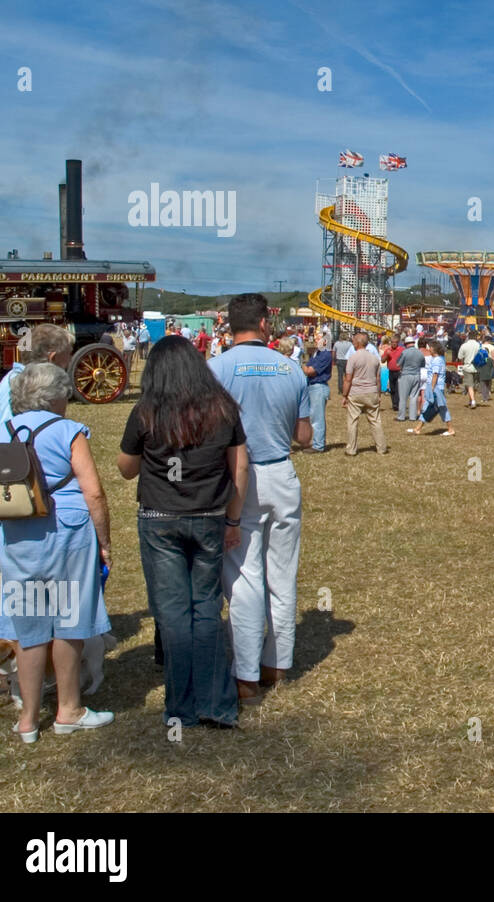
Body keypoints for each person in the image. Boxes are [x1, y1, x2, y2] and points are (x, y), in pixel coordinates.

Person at [0, 363, 114, 741]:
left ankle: (27, 719)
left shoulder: (3, 433)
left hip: (18, 534)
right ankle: (68, 710)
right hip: (68, 532)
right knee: (68, 623)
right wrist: (104, 543)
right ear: (55, 395)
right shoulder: (69, 431)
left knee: (27, 626)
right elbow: (94, 492)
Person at [117, 336, 246, 728]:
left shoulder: (146, 412)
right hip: (208, 515)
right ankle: (217, 704)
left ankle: (182, 707)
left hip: (159, 518)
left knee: (173, 613)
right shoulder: (222, 409)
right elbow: (240, 468)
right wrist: (234, 520)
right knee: (206, 607)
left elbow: (126, 468)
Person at [207, 292, 312, 703]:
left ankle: (245, 675)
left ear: (229, 324)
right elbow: (304, 437)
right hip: (281, 472)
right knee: (282, 574)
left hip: (238, 477)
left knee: (244, 576)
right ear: (266, 323)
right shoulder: (291, 369)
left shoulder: (214, 370)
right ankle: (277, 663)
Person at [0, 323, 74, 444]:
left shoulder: (20, 379)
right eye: (69, 353)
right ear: (53, 358)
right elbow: (5, 439)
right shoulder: (17, 385)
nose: (70, 359)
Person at [341, 330, 387, 455]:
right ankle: (381, 448)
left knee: (353, 421)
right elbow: (378, 379)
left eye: (353, 341)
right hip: (372, 391)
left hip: (356, 393)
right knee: (375, 420)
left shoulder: (353, 358)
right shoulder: (374, 358)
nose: (352, 343)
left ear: (357, 343)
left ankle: (351, 449)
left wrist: (344, 395)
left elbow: (348, 379)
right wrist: (379, 395)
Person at [409, 339, 454, 436]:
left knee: (441, 408)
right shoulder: (440, 358)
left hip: (436, 387)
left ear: (433, 349)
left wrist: (432, 388)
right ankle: (418, 428)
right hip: (434, 387)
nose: (428, 349)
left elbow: (435, 375)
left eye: (429, 347)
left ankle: (450, 429)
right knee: (427, 406)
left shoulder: (437, 360)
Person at [302, 340, 333, 452]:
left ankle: (318, 445)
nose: (315, 341)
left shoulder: (325, 354)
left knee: (317, 417)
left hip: (319, 387)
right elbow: (308, 366)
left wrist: (303, 366)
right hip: (313, 386)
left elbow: (310, 371)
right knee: (313, 416)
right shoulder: (317, 353)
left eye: (318, 338)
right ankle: (316, 442)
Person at [398, 336, 425, 422]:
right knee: (414, 396)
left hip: (406, 375)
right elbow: (422, 364)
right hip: (417, 375)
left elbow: (398, 364)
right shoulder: (420, 353)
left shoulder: (404, 352)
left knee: (403, 397)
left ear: (406, 344)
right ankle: (412, 417)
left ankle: (401, 416)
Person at [476, 337, 494, 403]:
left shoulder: (480, 346)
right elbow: (493, 357)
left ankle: (483, 396)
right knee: (488, 384)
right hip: (488, 372)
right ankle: (487, 396)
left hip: (482, 373)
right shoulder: (491, 347)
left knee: (483, 385)